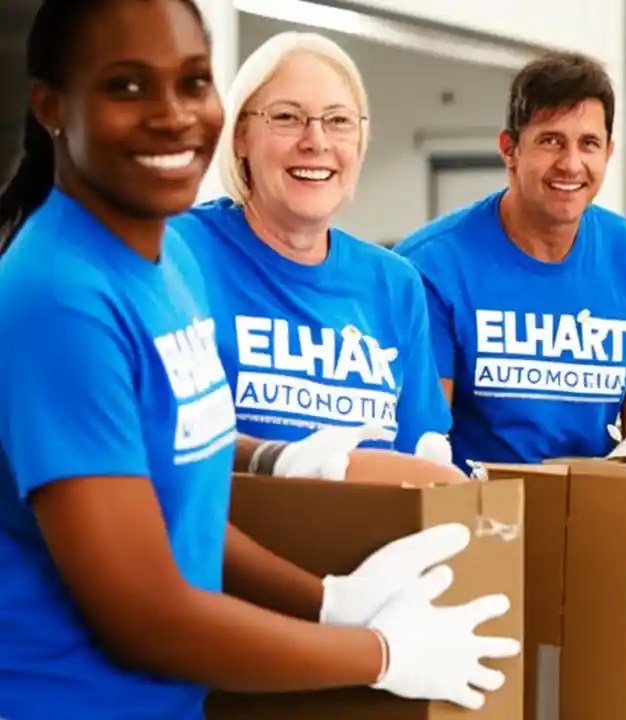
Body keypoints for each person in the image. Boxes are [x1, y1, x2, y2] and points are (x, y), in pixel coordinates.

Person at [0, 2, 516, 718]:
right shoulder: (62, 294)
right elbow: (143, 615)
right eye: (126, 85)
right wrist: (381, 653)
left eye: (191, 82)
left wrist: (330, 600)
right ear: (53, 107)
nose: (172, 115)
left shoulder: (157, 271)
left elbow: (184, 498)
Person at [168, 31, 458, 473]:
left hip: (373, 539)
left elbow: (420, 459)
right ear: (240, 137)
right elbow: (159, 431)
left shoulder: (394, 283)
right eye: (287, 117)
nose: (316, 141)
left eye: (338, 121)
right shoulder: (178, 253)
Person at [395, 51, 626, 467]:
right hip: (476, 516)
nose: (570, 164)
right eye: (550, 140)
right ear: (509, 149)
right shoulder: (432, 264)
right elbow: (425, 445)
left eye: (588, 144)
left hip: (596, 513)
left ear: (608, 151)